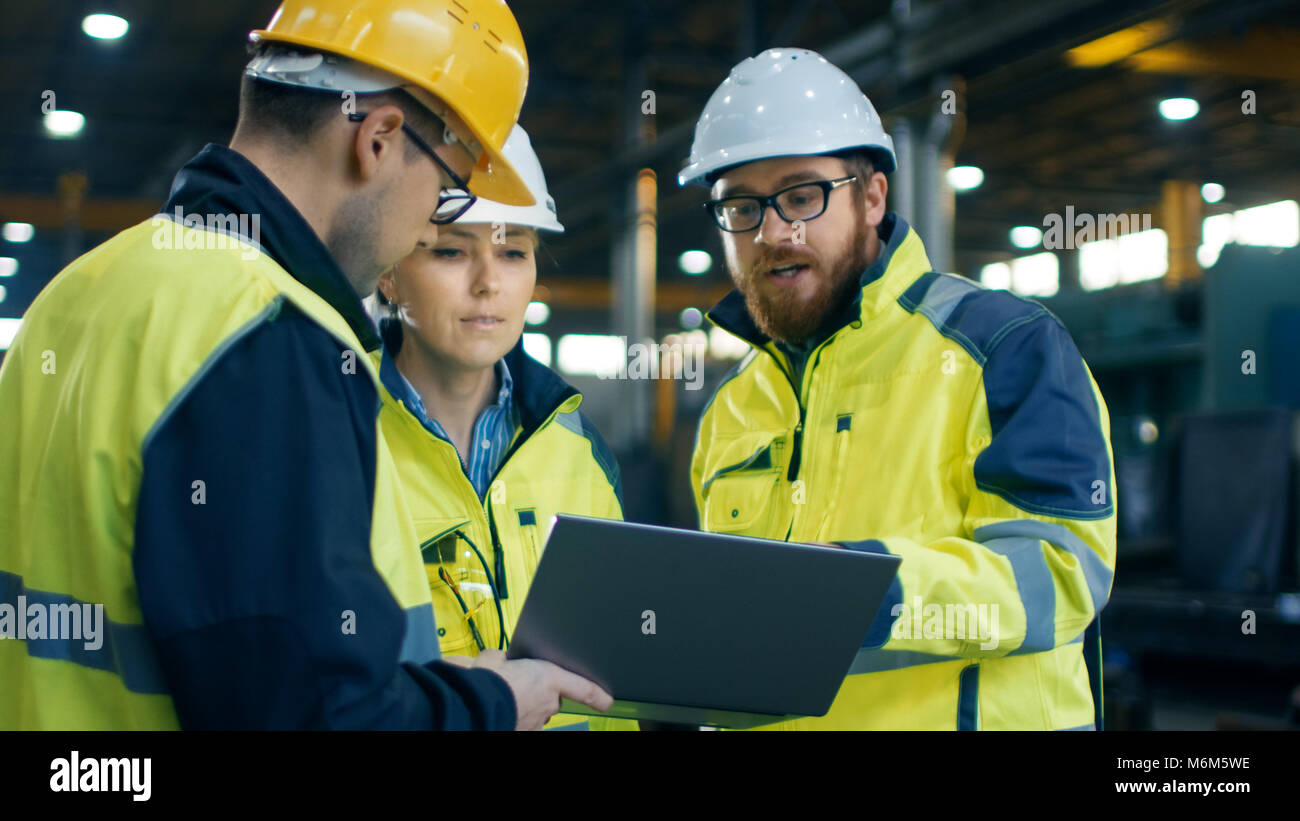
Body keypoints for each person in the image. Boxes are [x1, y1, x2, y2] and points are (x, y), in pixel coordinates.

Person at [0, 0, 610, 731]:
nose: (426, 221)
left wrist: (416, 686)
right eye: (445, 188)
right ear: (379, 139)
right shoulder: (269, 333)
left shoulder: (79, 293)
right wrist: (492, 704)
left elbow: (256, 659)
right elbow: (315, 716)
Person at [681, 48, 1116, 730]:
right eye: (740, 205)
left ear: (872, 196)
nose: (771, 232)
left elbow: (1062, 578)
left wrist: (861, 591)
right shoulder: (732, 409)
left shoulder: (1005, 347)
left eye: (801, 196)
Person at [373, 125, 632, 730]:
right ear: (389, 274)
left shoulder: (580, 449)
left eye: (513, 252)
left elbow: (614, 682)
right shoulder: (339, 439)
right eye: (451, 251)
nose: (489, 282)